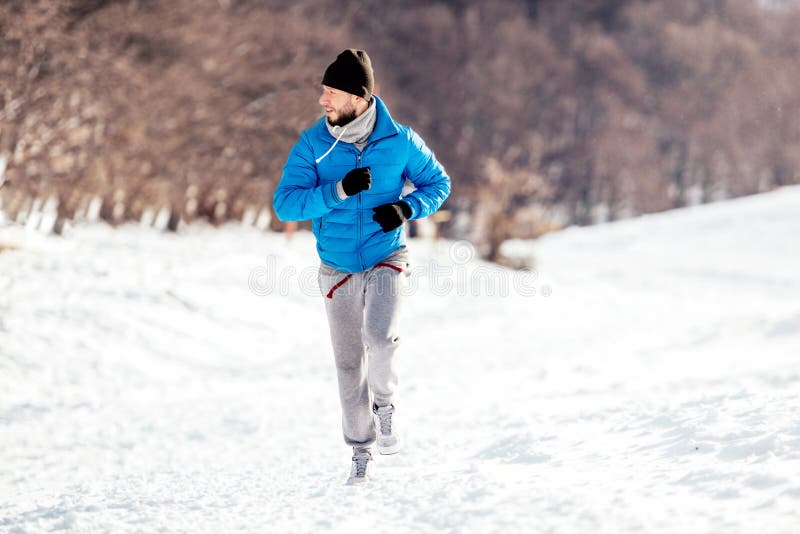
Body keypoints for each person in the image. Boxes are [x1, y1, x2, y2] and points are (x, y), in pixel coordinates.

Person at [273, 49, 451, 484]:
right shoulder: (313, 145)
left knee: (380, 337)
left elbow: (438, 183)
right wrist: (336, 190)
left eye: (331, 92)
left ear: (359, 95)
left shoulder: (400, 141)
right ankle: (360, 450)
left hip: (386, 254)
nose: (323, 101)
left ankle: (385, 403)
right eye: (323, 91)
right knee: (349, 365)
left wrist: (406, 209)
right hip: (336, 267)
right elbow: (285, 204)